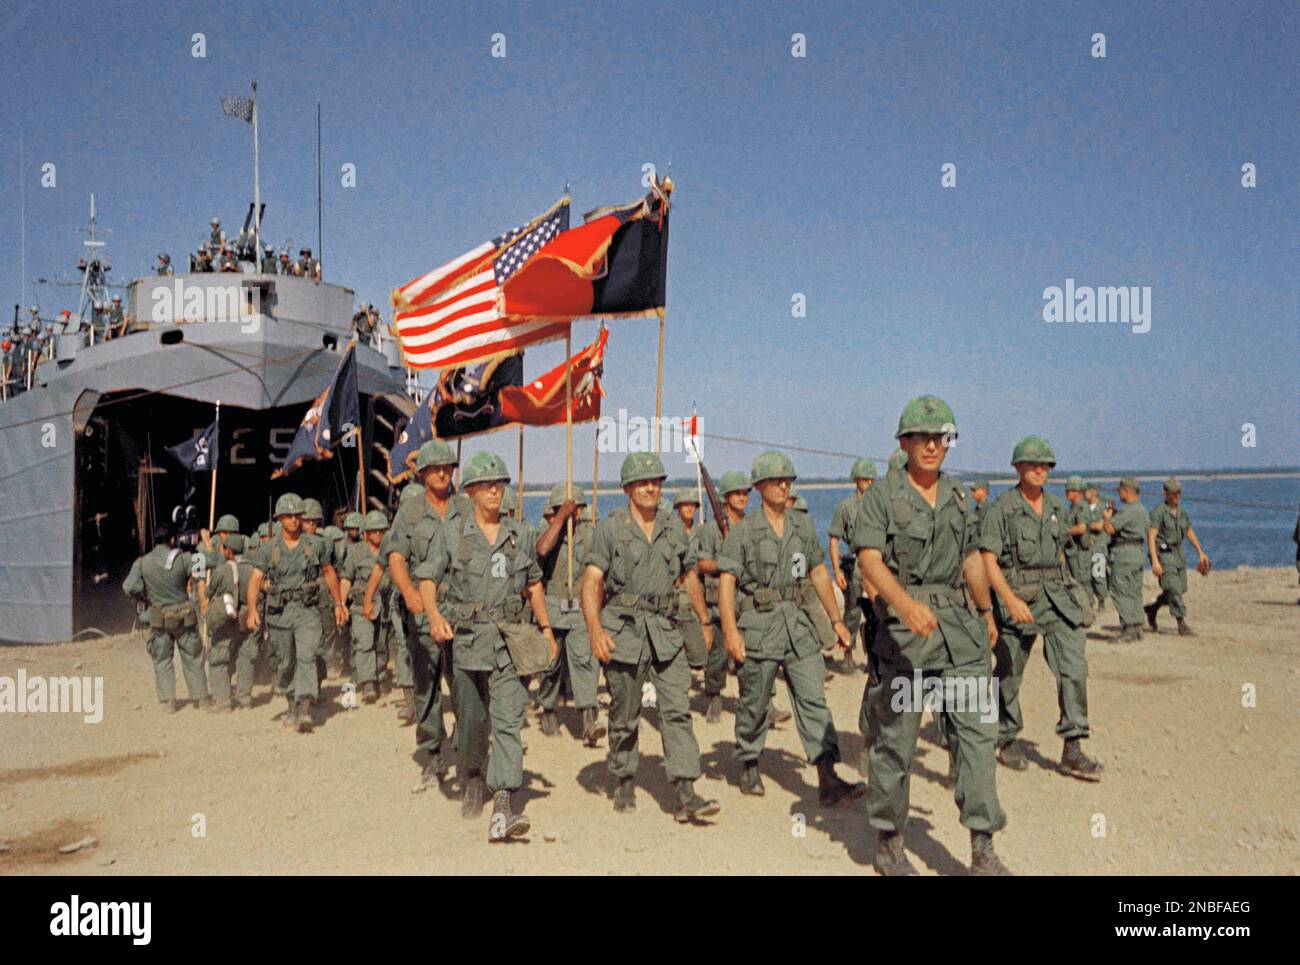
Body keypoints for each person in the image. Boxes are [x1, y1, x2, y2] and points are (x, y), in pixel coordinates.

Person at [853, 395, 1010, 876]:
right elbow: (868, 560)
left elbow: (971, 560)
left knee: (977, 739)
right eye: (921, 437)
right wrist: (904, 604)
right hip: (904, 637)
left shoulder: (960, 497)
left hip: (958, 632)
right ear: (904, 442)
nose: (931, 446)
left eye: (940, 437)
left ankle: (982, 848)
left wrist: (986, 612)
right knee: (896, 742)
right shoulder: (883, 497)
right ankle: (889, 843)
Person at [417, 451, 555, 841]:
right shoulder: (452, 534)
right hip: (467, 644)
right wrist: (433, 616)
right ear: (472, 491)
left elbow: (533, 583)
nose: (495, 490)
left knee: (509, 723)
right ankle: (473, 774)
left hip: (511, 642)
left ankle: (503, 805)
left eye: (500, 484)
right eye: (487, 485)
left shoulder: (519, 534)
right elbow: (427, 578)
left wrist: (546, 629)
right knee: (473, 721)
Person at [718, 450, 865, 803]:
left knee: (813, 698)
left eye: (788, 480)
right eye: (776, 481)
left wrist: (837, 622)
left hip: (798, 625)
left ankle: (827, 776)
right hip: (759, 625)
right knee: (755, 700)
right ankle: (750, 763)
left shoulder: (801, 527)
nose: (784, 485)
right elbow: (727, 583)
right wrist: (730, 631)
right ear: (760, 487)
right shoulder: (744, 532)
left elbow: (817, 572)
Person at [581, 452, 719, 822]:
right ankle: (624, 777)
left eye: (656, 482)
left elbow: (689, 575)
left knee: (676, 710)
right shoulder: (611, 528)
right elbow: (592, 581)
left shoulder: (674, 527)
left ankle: (686, 789)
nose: (650, 488)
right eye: (643, 482)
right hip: (623, 632)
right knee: (626, 713)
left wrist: (704, 621)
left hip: (667, 629)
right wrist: (594, 629)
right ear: (627, 488)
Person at [979, 437, 1102, 780]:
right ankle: (1005, 738)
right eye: (1033, 464)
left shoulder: (1057, 508)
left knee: (1073, 667)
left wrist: (1074, 591)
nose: (1040, 470)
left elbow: (1060, 552)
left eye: (1046, 465)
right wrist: (1009, 600)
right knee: (1008, 673)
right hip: (1018, 597)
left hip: (1056, 598)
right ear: (1018, 467)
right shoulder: (1001, 509)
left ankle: (1073, 746)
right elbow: (988, 561)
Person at [367, 440, 462, 783]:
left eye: (447, 467)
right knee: (427, 686)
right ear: (421, 474)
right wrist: (408, 591)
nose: (441, 473)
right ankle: (434, 753)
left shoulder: (466, 507)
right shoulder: (409, 513)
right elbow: (395, 558)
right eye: (434, 468)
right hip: (423, 610)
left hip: (463, 610)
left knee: (467, 683)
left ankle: (467, 745)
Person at [246, 493, 347, 732]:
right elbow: (255, 579)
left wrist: (339, 603)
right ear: (280, 518)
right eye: (289, 516)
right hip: (279, 614)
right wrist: (252, 610)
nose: (294, 520)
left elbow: (329, 572)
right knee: (285, 661)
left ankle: (304, 709)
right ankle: (291, 704)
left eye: (297, 516)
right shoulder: (268, 548)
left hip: (307, 611)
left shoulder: (315, 545)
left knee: (307, 656)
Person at [535, 483, 605, 745]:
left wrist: (596, 613)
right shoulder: (546, 532)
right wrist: (560, 518)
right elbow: (542, 550)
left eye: (575, 510)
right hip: (552, 609)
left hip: (580, 610)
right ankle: (549, 708)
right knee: (550, 665)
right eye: (562, 510)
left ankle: (589, 720)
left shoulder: (589, 535)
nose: (571, 515)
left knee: (586, 662)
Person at [123, 523, 209, 711]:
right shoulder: (183, 558)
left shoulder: (142, 563)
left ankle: (168, 701)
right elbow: (204, 563)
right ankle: (201, 698)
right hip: (184, 617)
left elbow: (128, 587)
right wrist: (203, 545)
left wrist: (143, 596)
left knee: (162, 659)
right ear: (172, 539)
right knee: (192, 656)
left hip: (159, 618)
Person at [694, 470, 750, 723]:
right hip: (718, 603)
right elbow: (700, 563)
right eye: (737, 493)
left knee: (752, 656)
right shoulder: (710, 530)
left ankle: (760, 703)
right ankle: (715, 697)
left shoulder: (750, 526)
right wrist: (726, 564)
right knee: (717, 656)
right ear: (726, 498)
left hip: (747, 602)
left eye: (745, 493)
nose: (742, 497)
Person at [829, 458, 878, 670]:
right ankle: (848, 651)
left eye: (871, 479)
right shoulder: (845, 507)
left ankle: (873, 656)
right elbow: (834, 538)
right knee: (852, 612)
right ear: (856, 480)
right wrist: (836, 569)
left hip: (876, 564)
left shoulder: (879, 505)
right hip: (854, 564)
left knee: (877, 613)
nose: (868, 483)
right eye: (864, 479)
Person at [1145, 478, 1210, 636]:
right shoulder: (1158, 512)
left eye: (1179, 493)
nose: (1177, 496)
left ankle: (1152, 608)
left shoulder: (1182, 512)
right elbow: (1151, 536)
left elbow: (1188, 531)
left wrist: (1200, 552)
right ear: (1165, 494)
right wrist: (1154, 561)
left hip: (1178, 553)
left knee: (1180, 589)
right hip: (1164, 553)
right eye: (1173, 493)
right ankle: (1181, 623)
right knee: (1172, 588)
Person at [200, 533, 257, 710]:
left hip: (226, 617)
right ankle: (245, 698)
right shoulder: (253, 569)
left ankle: (223, 700)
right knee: (246, 657)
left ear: (229, 551)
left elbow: (209, 593)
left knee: (219, 657)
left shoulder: (222, 570)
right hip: (247, 616)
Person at [340, 511, 392, 702]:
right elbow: (346, 579)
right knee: (364, 642)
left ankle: (380, 675)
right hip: (361, 606)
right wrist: (341, 604)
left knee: (381, 643)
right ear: (366, 533)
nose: (378, 534)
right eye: (374, 531)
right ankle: (368, 682)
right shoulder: (356, 552)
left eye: (381, 530)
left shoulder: (391, 549)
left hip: (385, 605)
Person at [1103, 478, 1149, 642]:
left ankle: (1128, 627)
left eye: (1120, 491)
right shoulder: (1142, 510)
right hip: (1137, 552)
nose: (1119, 494)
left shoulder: (1128, 511)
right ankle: (1137, 626)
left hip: (1124, 553)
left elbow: (1109, 529)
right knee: (1134, 591)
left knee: (1120, 590)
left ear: (1126, 491)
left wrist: (1107, 517)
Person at [1082, 483, 1111, 610]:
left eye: (1086, 491)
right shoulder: (1083, 506)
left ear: (1093, 492)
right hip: (1087, 545)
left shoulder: (1103, 506)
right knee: (1086, 574)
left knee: (1098, 573)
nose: (1084, 493)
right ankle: (1089, 600)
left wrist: (1088, 526)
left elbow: (1101, 526)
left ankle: (1101, 599)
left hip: (1099, 545)